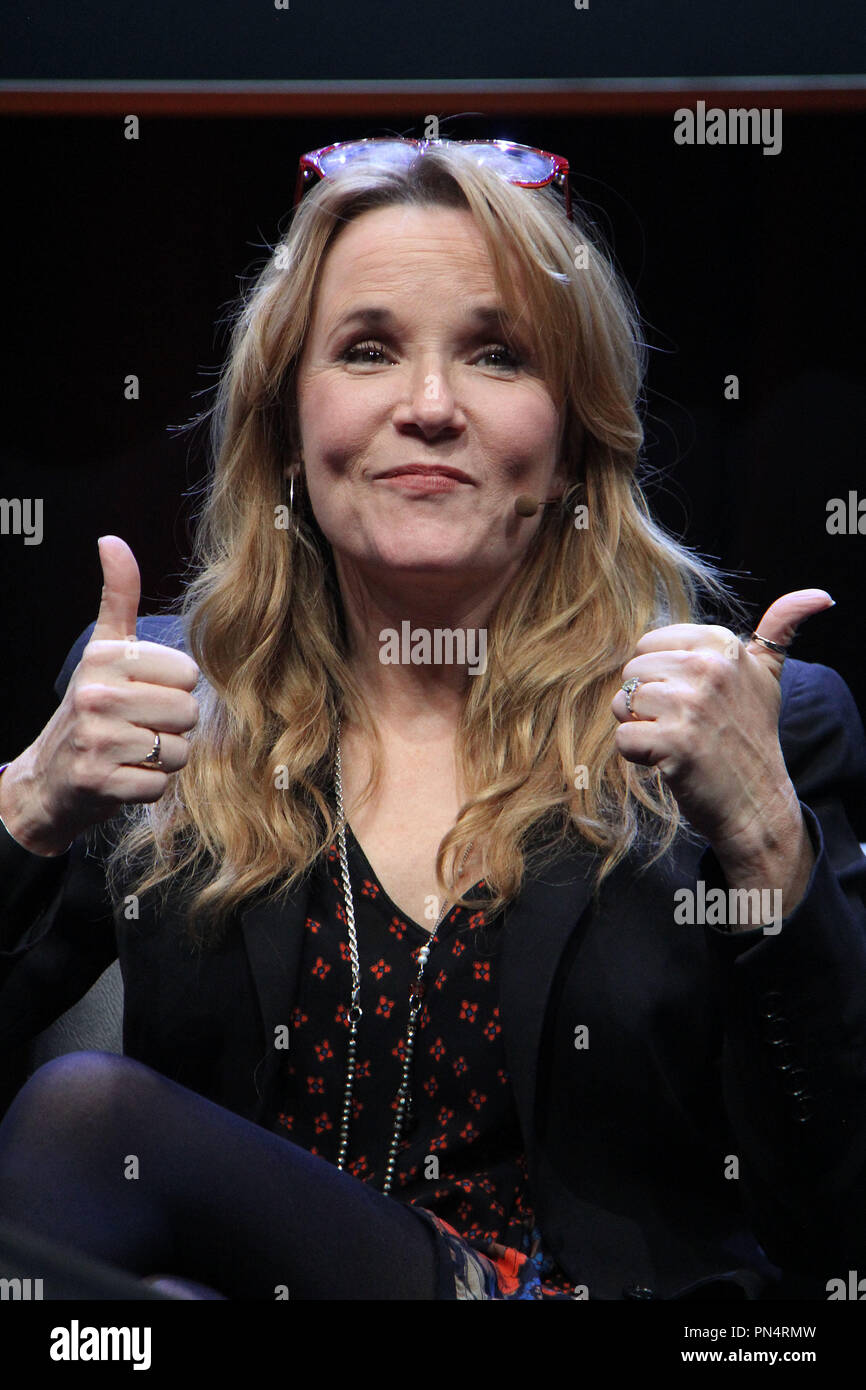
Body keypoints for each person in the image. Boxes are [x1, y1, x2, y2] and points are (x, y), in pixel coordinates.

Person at [0, 136, 864, 1301]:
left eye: (496, 356)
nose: (427, 407)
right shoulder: (159, 707)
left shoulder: (743, 727)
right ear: (286, 434)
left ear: (568, 443)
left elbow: (836, 1216)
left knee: (85, 1116)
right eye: (365, 351)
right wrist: (27, 809)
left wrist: (762, 831)